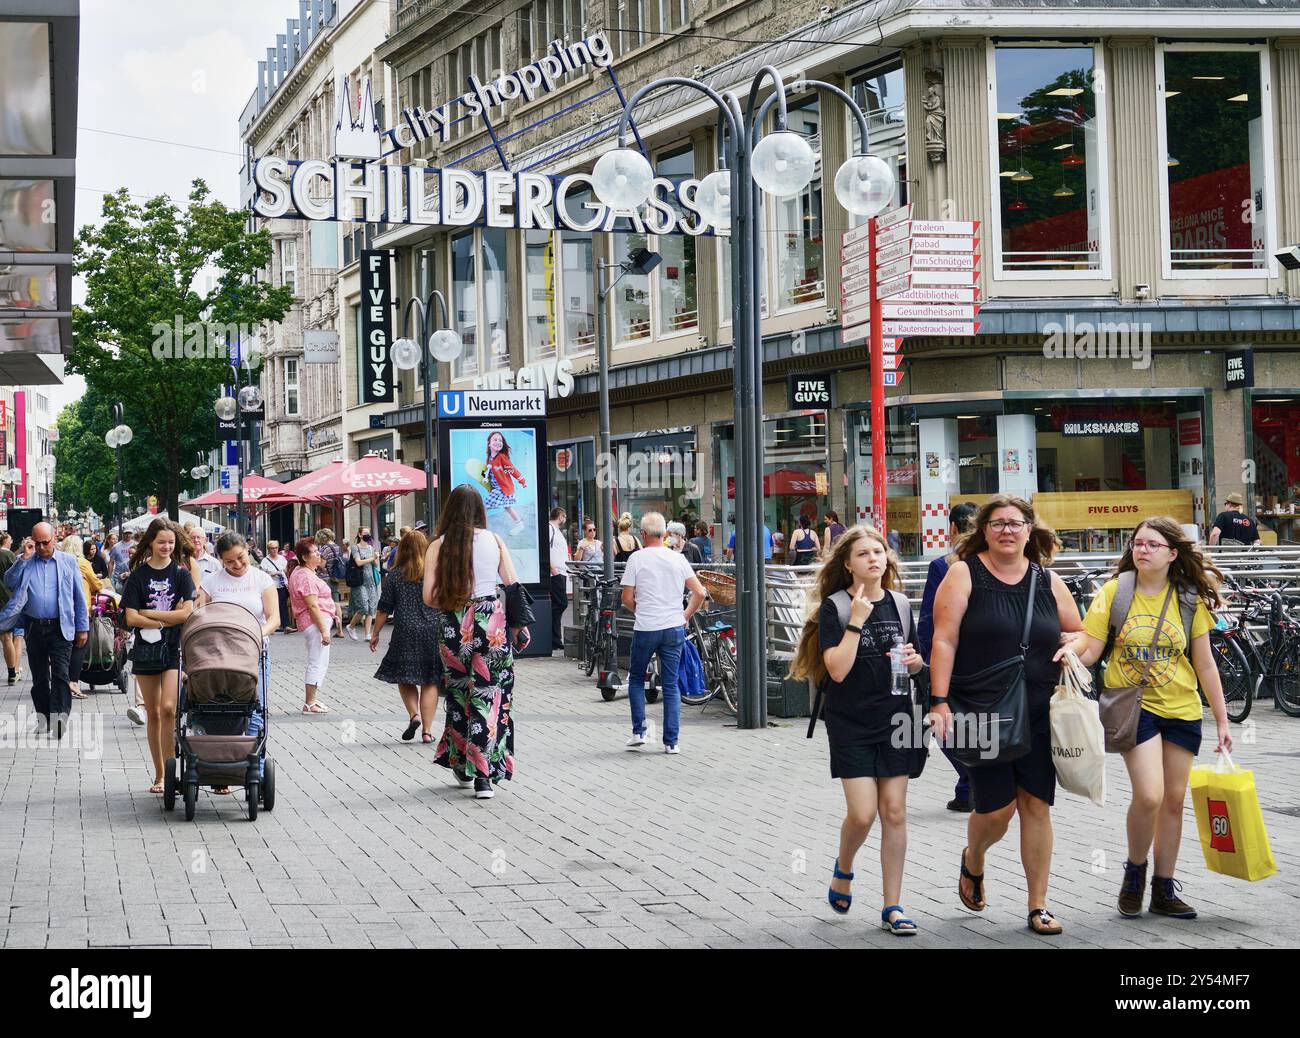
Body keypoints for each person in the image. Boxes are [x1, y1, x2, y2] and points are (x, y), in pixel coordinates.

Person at [1057, 517, 1233, 920]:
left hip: (1183, 709)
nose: (1143, 550)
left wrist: (1222, 721)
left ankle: (1164, 888)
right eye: (1138, 543)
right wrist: (1071, 657)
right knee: (1150, 795)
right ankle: (1135, 872)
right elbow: (1092, 646)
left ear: (1173, 553)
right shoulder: (1116, 592)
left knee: (1173, 801)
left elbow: (1204, 664)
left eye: (1153, 545)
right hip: (1134, 707)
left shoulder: (1188, 599)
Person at [927, 495, 1083, 936]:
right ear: (984, 530)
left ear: (1029, 531)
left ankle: (1038, 905)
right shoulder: (963, 574)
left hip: (1039, 709)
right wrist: (939, 702)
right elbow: (944, 640)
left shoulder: (1047, 580)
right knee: (997, 810)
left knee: (1036, 803)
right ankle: (974, 857)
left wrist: (1075, 646)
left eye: (1015, 524)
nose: (1007, 531)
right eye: (997, 524)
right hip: (981, 708)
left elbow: (1080, 631)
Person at [789, 525, 925, 933]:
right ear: (847, 564)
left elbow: (916, 663)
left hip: (899, 718)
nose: (874, 559)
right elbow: (837, 669)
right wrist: (856, 623)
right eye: (864, 553)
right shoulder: (837, 607)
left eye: (879, 552)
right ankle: (843, 866)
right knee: (863, 814)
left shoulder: (900, 604)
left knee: (895, 812)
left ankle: (893, 907)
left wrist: (916, 664)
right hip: (851, 723)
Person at [424, 483, 529, 800]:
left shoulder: (437, 546)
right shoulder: (495, 541)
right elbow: (512, 585)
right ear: (481, 510)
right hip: (491, 623)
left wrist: (456, 600)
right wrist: (520, 626)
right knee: (489, 694)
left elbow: (429, 597)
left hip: (453, 625)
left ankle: (461, 763)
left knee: (458, 696)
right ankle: (484, 776)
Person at [197, 531, 279, 794]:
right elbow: (198, 616)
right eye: (230, 561)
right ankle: (219, 762)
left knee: (256, 708)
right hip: (217, 654)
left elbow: (274, 618)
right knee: (215, 705)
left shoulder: (261, 579)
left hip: (253, 652)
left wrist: (257, 635)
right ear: (220, 560)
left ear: (247, 551)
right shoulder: (211, 582)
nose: (238, 565)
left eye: (241, 558)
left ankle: (251, 765)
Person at [621, 511, 707, 755]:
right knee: (670, 684)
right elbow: (699, 593)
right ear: (665, 534)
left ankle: (639, 732)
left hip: (646, 627)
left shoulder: (636, 559)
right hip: (673, 627)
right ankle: (672, 742)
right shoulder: (678, 559)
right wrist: (684, 616)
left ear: (644, 534)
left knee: (637, 678)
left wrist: (641, 610)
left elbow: (626, 598)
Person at [121, 519, 195, 791]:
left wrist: (150, 614)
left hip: (174, 648)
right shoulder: (139, 576)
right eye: (162, 542)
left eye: (171, 542)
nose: (166, 546)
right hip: (146, 650)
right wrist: (167, 619)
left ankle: (172, 766)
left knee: (168, 709)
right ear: (150, 542)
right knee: (152, 712)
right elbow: (130, 617)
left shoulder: (181, 574)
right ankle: (161, 774)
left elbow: (187, 613)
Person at [916, 501, 980, 813]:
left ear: (952, 528)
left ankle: (972, 778)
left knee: (941, 724)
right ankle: (968, 786)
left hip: (950, 661)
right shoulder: (990, 564)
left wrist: (924, 662)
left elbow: (929, 619)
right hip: (986, 662)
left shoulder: (943, 565)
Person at [0, 524, 89, 737]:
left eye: (45, 542)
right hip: (34, 626)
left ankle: (59, 719)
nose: (41, 547)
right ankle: (44, 718)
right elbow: (9, 581)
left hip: (60, 626)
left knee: (60, 673)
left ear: (55, 538)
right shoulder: (27, 561)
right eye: (37, 543)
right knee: (39, 677)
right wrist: (22, 557)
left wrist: (82, 627)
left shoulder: (68, 561)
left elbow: (78, 596)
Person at [370, 530, 441, 744]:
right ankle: (427, 731)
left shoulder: (395, 575)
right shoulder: (435, 573)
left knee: (405, 676)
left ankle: (414, 715)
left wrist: (375, 634)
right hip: (432, 630)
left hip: (404, 630)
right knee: (430, 680)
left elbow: (384, 609)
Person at [287, 537, 334, 714]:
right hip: (315, 623)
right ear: (305, 557)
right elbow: (312, 605)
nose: (318, 554)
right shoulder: (305, 576)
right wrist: (324, 631)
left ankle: (312, 699)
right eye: (315, 552)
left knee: (319, 660)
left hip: (315, 622)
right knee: (317, 661)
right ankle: (309, 702)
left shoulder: (302, 572)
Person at [62, 535, 107, 701]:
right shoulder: (83, 563)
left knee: (63, 647)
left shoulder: (59, 561)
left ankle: (62, 682)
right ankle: (73, 682)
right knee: (79, 646)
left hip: (61, 612)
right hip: (81, 611)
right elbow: (98, 585)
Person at [484, 430, 528, 535]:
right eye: (495, 439)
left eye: (500, 440)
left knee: (484, 506)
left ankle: (482, 529)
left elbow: (512, 469)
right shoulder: (489, 459)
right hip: (496, 489)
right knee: (507, 507)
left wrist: (522, 480)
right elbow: (488, 472)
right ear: (489, 443)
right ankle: (520, 525)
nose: (498, 442)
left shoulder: (501, 457)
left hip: (502, 489)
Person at [345, 530, 380, 641]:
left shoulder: (370, 548)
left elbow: (375, 564)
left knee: (371, 608)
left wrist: (376, 558)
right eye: (365, 532)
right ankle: (350, 626)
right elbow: (358, 562)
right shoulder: (355, 548)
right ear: (360, 535)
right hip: (359, 581)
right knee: (363, 607)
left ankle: (367, 634)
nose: (367, 534)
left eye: (369, 532)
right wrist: (372, 558)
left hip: (371, 581)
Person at [315, 528, 347, 638]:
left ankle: (323, 628)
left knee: (321, 603)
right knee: (336, 603)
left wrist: (316, 561)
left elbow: (322, 565)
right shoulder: (337, 547)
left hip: (324, 578)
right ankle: (340, 630)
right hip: (334, 578)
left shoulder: (325, 548)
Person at [0, 533, 23, 686]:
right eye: (10, 540)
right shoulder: (8, 556)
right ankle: (11, 672)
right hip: (6, 599)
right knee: (7, 637)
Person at [547, 507, 570, 654]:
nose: (565, 519)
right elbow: (546, 549)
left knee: (559, 604)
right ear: (560, 516)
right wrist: (553, 569)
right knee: (561, 603)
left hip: (561, 571)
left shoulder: (556, 530)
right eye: (565, 516)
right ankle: (551, 636)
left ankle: (555, 639)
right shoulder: (550, 528)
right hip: (555, 572)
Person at [260, 540, 292, 632]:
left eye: (275, 548)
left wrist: (280, 572)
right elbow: (262, 573)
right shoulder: (265, 560)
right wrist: (271, 574)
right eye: (272, 548)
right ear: (268, 549)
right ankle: (272, 626)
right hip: (270, 586)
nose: (274, 550)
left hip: (281, 585)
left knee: (283, 605)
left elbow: (286, 569)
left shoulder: (282, 558)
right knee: (272, 606)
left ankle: (286, 625)